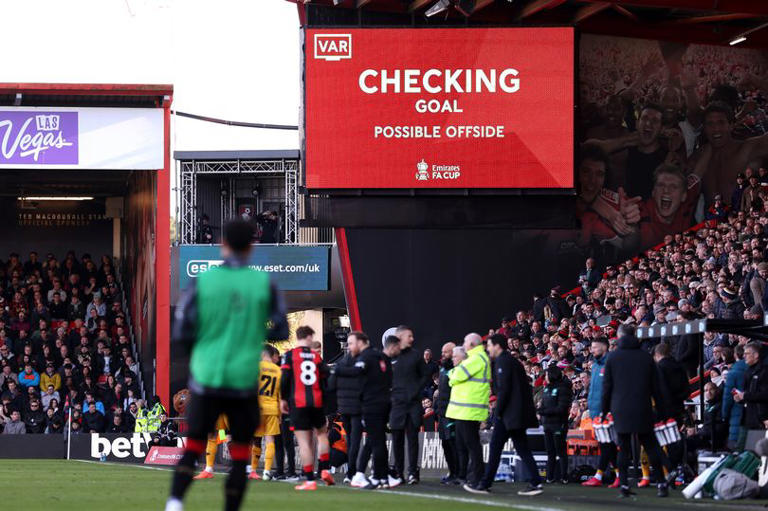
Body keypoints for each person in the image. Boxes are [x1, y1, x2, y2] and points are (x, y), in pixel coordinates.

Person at [166, 219, 288, 511]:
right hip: (244, 381)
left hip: (207, 377)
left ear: (223, 245)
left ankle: (174, 503)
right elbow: (282, 330)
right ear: (252, 246)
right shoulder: (264, 282)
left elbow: (181, 333)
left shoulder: (203, 281)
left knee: (194, 444)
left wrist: (205, 342)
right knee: (240, 453)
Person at [602, 325, 670, 498]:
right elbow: (657, 387)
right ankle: (662, 483)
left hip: (620, 408)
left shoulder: (613, 357)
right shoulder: (646, 357)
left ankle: (624, 484)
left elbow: (607, 387)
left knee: (623, 448)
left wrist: (604, 411)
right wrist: (662, 410)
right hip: (643, 406)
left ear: (619, 336)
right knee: (651, 445)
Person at [477, 334, 542, 496]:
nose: (488, 349)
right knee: (521, 448)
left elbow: (505, 390)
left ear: (497, 346)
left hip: (509, 414)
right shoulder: (509, 361)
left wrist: (497, 412)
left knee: (497, 447)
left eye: (490, 345)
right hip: (514, 414)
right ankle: (535, 482)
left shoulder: (503, 362)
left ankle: (485, 484)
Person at [335, 332, 398, 490]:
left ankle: (377, 477)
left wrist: (336, 371)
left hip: (372, 405)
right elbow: (389, 379)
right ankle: (383, 476)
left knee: (375, 442)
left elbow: (356, 372)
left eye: (350, 343)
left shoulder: (366, 357)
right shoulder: (380, 356)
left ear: (361, 342)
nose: (349, 347)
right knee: (378, 442)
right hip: (384, 403)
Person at [280, 325, 334, 491]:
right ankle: (325, 469)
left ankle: (310, 480)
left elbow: (284, 379)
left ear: (298, 337)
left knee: (304, 443)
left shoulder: (290, 355)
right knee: (322, 435)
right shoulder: (316, 357)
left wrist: (283, 399)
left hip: (298, 403)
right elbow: (326, 379)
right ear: (309, 337)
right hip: (317, 402)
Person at [445, 333, 490, 495]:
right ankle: (476, 478)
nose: (463, 343)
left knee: (472, 446)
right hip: (465, 410)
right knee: (470, 445)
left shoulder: (476, 358)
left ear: (471, 343)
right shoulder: (476, 358)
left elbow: (455, 376)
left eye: (465, 341)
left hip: (469, 410)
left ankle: (477, 479)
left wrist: (452, 376)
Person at [389, 325, 429, 485]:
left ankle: (413, 472)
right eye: (409, 336)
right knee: (397, 439)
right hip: (396, 405)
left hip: (413, 404)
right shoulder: (392, 355)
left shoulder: (416, 356)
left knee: (412, 438)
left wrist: (416, 390)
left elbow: (425, 375)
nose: (412, 339)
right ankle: (399, 473)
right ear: (399, 337)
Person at [582, 337, 619, 487]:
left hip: (608, 412)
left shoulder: (612, 363)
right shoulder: (595, 366)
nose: (592, 350)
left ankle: (600, 475)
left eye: (595, 347)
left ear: (605, 347)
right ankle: (616, 475)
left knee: (607, 445)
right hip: (595, 412)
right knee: (606, 445)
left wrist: (611, 409)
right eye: (592, 347)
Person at [335, 330, 364, 485]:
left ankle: (351, 472)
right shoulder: (361, 361)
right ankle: (352, 472)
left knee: (352, 440)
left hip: (344, 407)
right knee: (354, 440)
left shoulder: (341, 363)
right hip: (356, 408)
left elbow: (333, 384)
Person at [251, 344, 281, 481]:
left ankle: (253, 470)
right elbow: (281, 395)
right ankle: (267, 471)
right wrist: (280, 414)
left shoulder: (256, 367)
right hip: (272, 408)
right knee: (270, 440)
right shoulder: (278, 370)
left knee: (256, 440)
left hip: (258, 408)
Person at [538, 365, 573, 484]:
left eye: (547, 374)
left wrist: (544, 411)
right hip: (547, 424)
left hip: (559, 424)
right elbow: (543, 405)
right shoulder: (547, 388)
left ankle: (564, 477)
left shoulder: (563, 388)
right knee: (550, 451)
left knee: (561, 451)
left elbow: (562, 408)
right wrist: (540, 410)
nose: (545, 377)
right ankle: (549, 477)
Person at [435, 341, 459, 484]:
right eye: (442, 352)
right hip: (442, 413)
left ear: (453, 352)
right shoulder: (443, 368)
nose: (443, 354)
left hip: (452, 413)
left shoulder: (456, 369)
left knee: (453, 444)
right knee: (445, 444)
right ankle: (452, 472)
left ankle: (458, 473)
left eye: (445, 352)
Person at [732, 342, 768, 437]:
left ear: (756, 355)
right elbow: (747, 393)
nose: (744, 356)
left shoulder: (765, 371)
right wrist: (740, 398)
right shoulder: (748, 371)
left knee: (758, 449)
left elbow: (765, 394)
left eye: (747, 353)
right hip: (749, 418)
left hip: (762, 419)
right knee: (748, 449)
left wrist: (745, 396)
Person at [723, 344, 747, 449]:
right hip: (756, 417)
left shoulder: (733, 372)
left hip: (737, 415)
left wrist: (724, 414)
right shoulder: (757, 368)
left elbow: (727, 397)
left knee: (736, 451)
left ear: (735, 355)